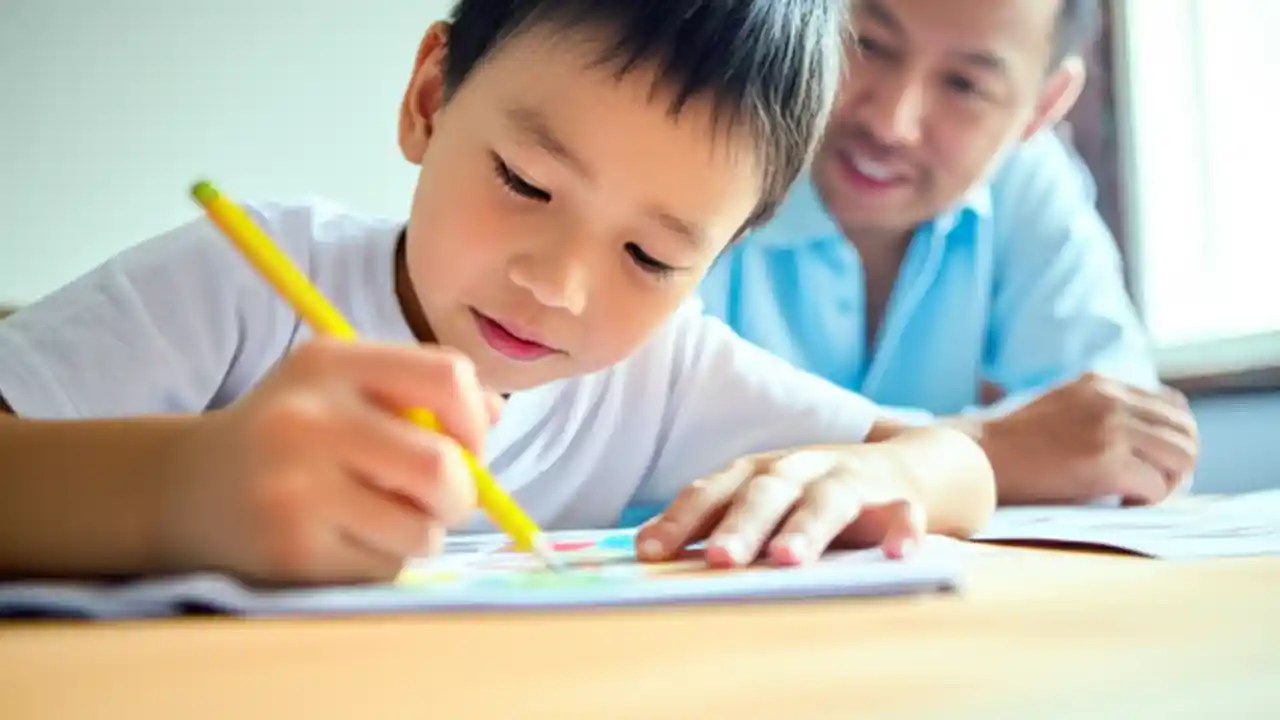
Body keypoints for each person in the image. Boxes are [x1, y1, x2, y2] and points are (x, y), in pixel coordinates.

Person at [0, 0, 995, 584]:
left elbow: (953, 464)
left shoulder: (666, 372)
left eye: (650, 257)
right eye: (524, 182)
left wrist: (891, 482)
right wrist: (177, 491)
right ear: (430, 101)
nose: (556, 285)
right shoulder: (246, 279)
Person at [701, 0, 1199, 507]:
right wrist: (999, 449)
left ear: (1043, 106)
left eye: (963, 85)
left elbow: (1120, 449)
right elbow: (650, 444)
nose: (892, 122)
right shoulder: (701, 138)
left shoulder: (1027, 182)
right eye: (867, 44)